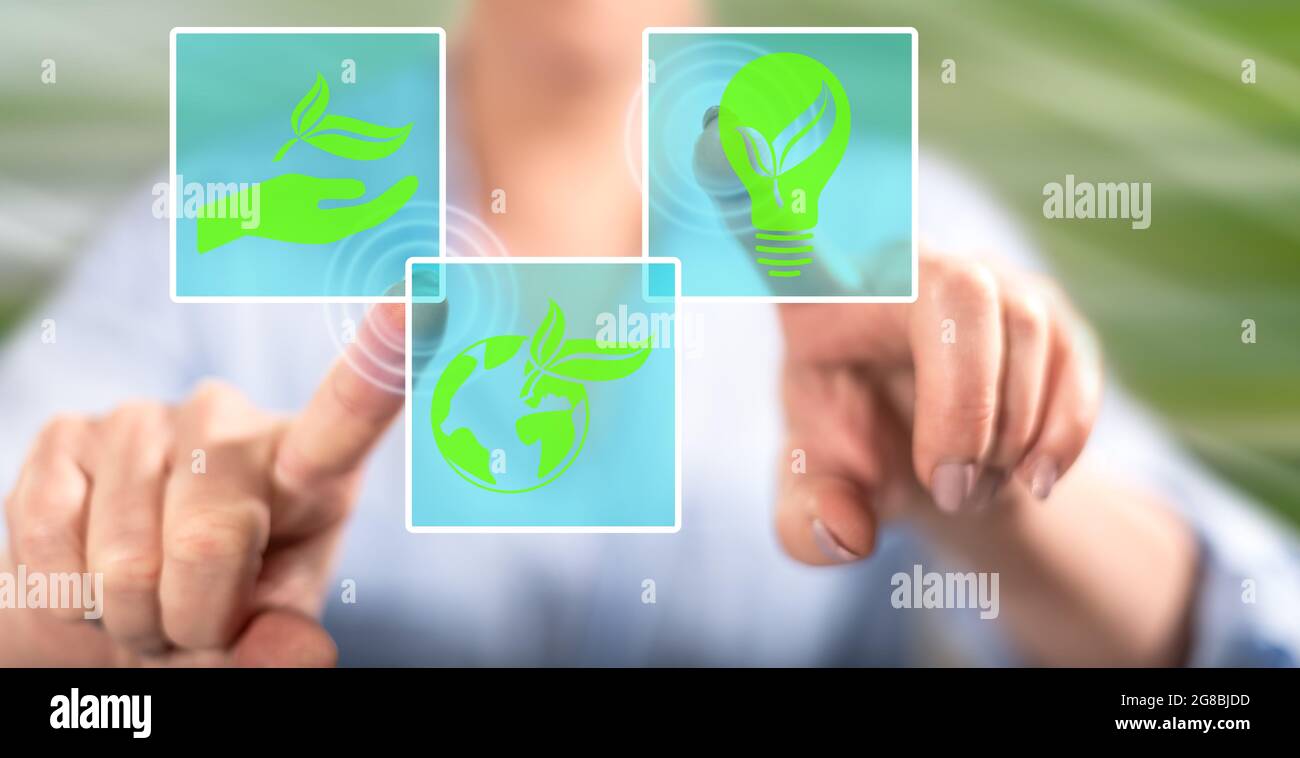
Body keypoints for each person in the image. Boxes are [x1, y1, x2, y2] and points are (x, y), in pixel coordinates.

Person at [1, 0, 1297, 666]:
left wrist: (989, 493)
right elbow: (31, 533)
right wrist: (89, 596)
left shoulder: (906, 231)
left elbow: (1245, 646)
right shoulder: (220, 218)